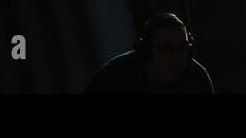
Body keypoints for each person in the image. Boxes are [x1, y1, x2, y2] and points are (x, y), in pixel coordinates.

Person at [83, 13, 214, 93]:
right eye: (166, 48)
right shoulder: (113, 78)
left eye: (182, 47)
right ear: (146, 50)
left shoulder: (196, 79)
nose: (177, 57)